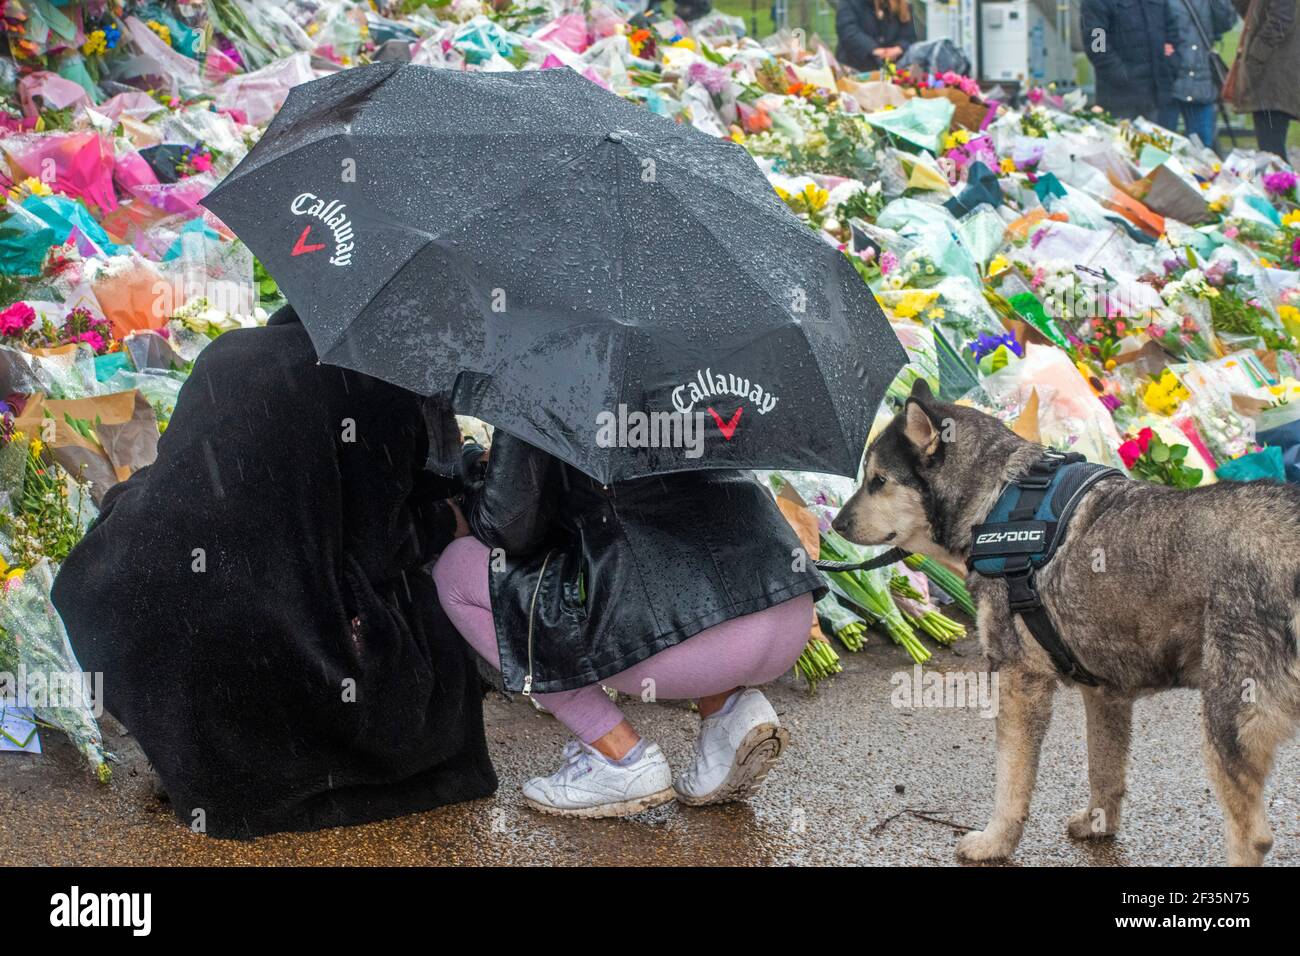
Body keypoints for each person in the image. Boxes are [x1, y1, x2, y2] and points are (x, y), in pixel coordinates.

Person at [51, 304, 497, 838]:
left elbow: (197, 470)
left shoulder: (229, 352)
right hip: (254, 622)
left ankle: (192, 754)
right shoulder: (377, 386)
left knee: (239, 588)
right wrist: (442, 522)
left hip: (133, 597)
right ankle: (285, 763)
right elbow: (377, 544)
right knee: (419, 600)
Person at [432, 430, 826, 818]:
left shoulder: (546, 379)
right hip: (787, 608)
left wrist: (475, 485)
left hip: (694, 645)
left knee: (457, 567)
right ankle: (729, 712)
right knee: (674, 528)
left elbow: (509, 531)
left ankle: (619, 758)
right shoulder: (693, 369)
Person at [1226, 0, 1299, 158]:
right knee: (1270, 149)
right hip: (1270, 76)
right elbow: (1251, 15)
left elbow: (1281, 19)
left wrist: (1255, 55)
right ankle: (1281, 181)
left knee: (1271, 152)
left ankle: (1283, 183)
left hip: (1274, 78)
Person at [1159, 0, 1237, 148]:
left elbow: (1226, 21)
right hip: (1168, 79)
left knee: (1201, 150)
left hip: (1201, 80)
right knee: (1162, 148)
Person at [1082, 0, 1177, 119]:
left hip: (1158, 97)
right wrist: (1123, 76)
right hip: (1119, 100)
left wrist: (1171, 65)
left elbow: (1173, 34)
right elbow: (1097, 46)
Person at [835, 0, 917, 73]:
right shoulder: (849, 2)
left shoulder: (902, 4)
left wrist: (899, 48)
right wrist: (874, 49)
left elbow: (909, 36)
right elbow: (847, 31)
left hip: (893, 69)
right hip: (855, 69)